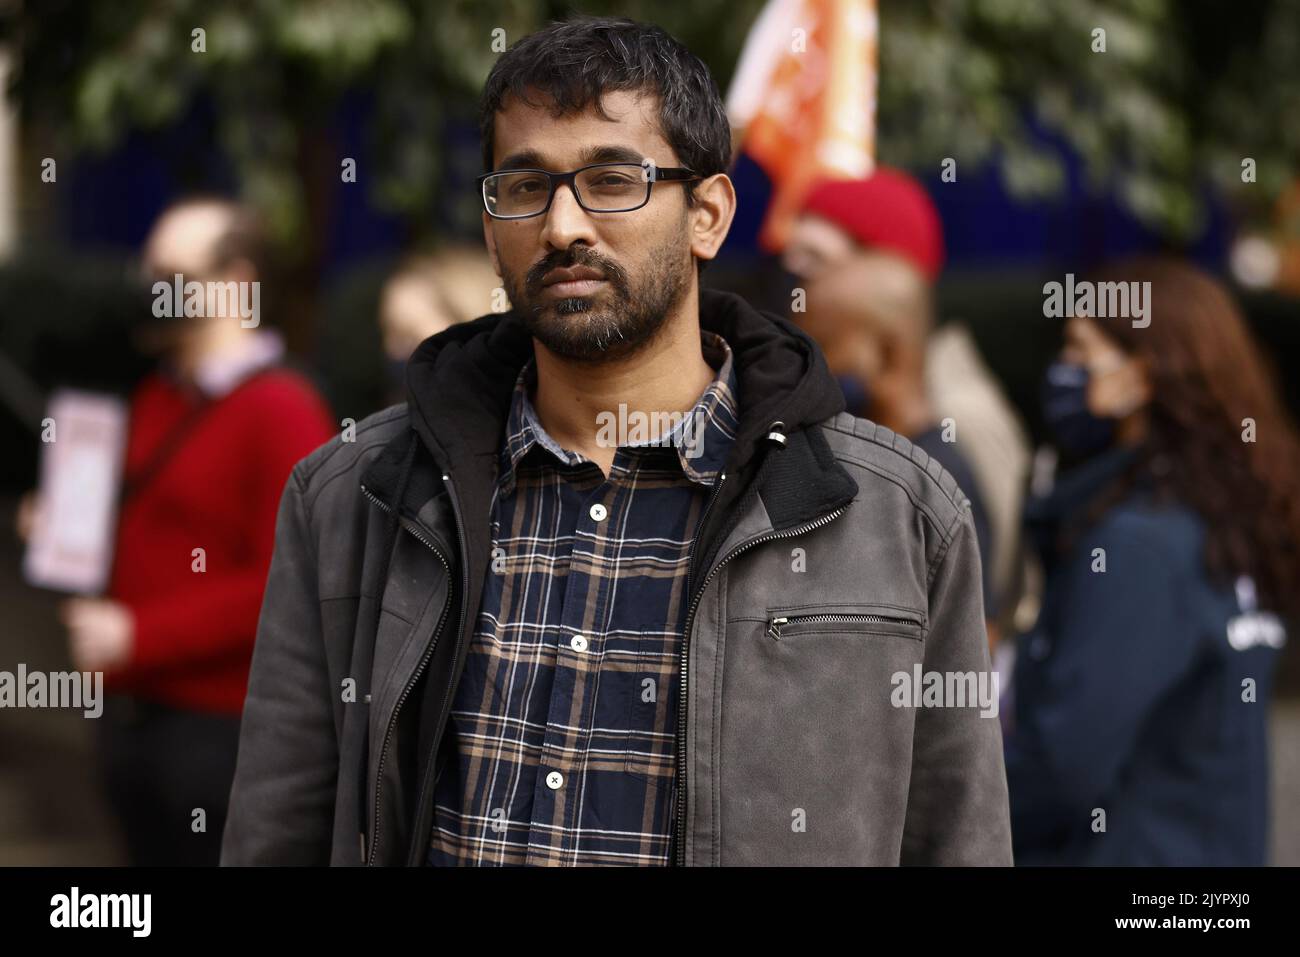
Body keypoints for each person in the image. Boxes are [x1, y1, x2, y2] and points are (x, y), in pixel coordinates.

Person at [222, 16, 1010, 867]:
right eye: (524, 187)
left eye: (610, 179)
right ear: (492, 231)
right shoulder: (352, 494)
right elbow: (277, 829)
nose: (562, 226)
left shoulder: (899, 518)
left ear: (707, 214)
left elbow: (956, 839)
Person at [64, 197, 335, 865]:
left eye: (172, 274)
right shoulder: (159, 395)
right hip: (132, 720)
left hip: (222, 734)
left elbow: (290, 581)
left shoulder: (282, 408)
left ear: (236, 281)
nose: (153, 291)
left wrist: (138, 635)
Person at [1004, 257, 1299, 865]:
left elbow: (1065, 764)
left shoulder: (1140, 545)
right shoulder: (1220, 518)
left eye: (1080, 350)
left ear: (1142, 375)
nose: (1065, 372)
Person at [784, 170, 1031, 631]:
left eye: (816, 259)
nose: (795, 279)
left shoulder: (962, 417)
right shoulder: (866, 420)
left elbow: (985, 611)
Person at [799, 249, 998, 626]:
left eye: (822, 346)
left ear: (887, 353)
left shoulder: (936, 481)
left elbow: (977, 639)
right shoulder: (859, 460)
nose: (804, 370)